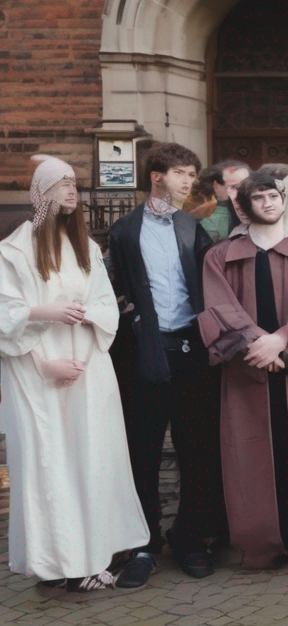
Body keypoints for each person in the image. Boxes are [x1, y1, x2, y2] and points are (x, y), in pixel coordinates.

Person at [0, 155, 149, 592]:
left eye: (74, 183)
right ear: (41, 192)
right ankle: (57, 559)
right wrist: (45, 331)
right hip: (36, 374)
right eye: (61, 183)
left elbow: (106, 305)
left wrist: (86, 318)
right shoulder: (15, 250)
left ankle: (93, 554)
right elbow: (5, 313)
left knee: (93, 460)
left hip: (89, 370)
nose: (72, 190)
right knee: (51, 465)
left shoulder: (85, 248)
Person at [198, 171, 288, 569]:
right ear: (244, 206)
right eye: (258, 198)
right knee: (253, 448)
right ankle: (263, 540)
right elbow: (218, 307)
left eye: (273, 196)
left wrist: (284, 337)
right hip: (248, 369)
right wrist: (258, 342)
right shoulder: (221, 255)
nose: (269, 203)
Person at [107, 142, 225, 586]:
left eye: (191, 174)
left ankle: (191, 536)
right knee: (144, 450)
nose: (188, 181)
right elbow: (113, 292)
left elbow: (210, 289)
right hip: (143, 356)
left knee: (198, 447)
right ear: (156, 176)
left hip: (192, 353)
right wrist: (134, 321)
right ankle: (144, 542)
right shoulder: (122, 230)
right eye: (181, 173)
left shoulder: (192, 228)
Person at [200, 160, 250, 242]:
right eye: (233, 187)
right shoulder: (210, 221)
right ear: (216, 186)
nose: (241, 192)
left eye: (246, 185)